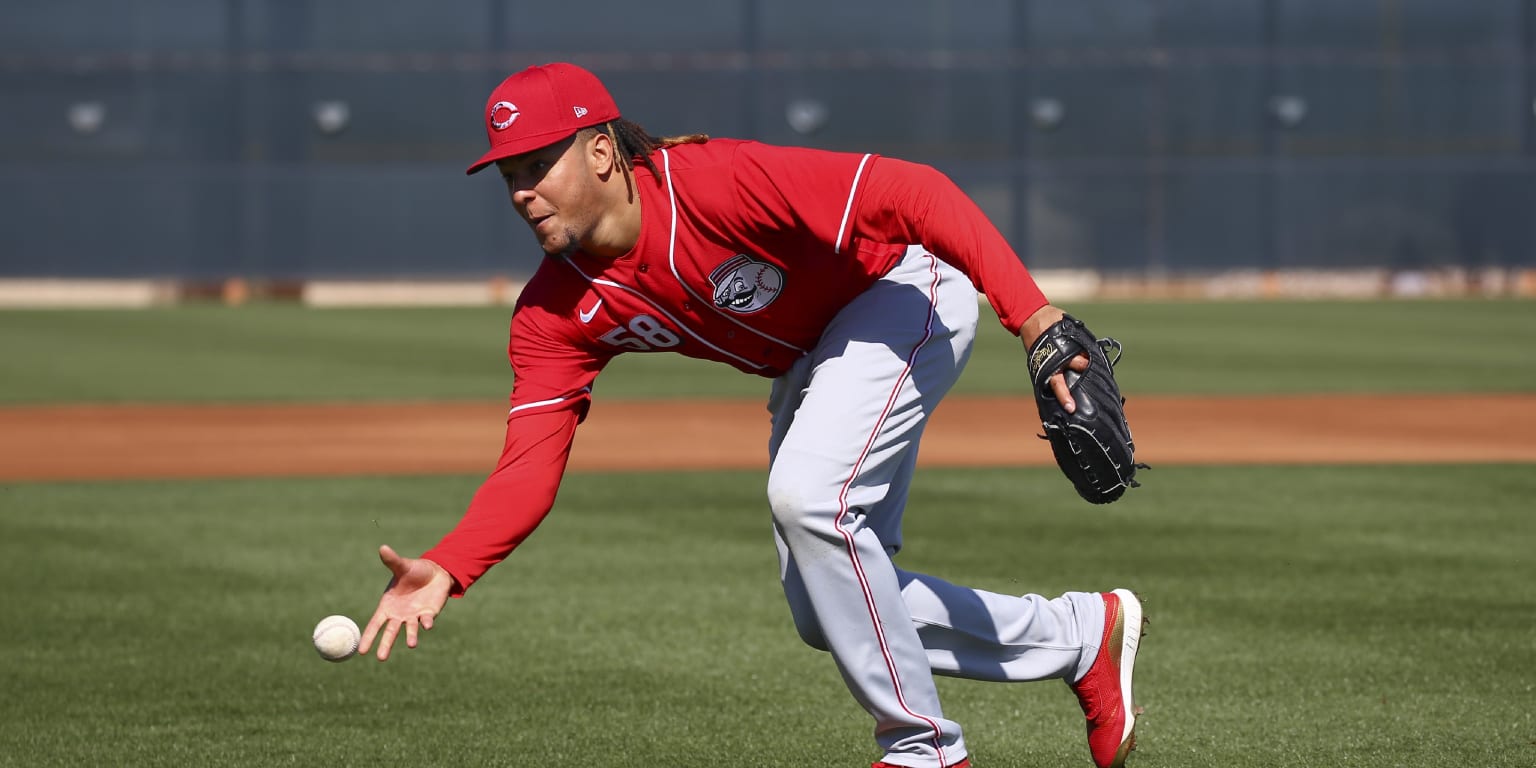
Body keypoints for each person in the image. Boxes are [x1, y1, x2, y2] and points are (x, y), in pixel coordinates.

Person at [358, 62, 1144, 768]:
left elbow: (916, 193)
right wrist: (453, 562)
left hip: (900, 294)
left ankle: (923, 750)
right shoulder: (552, 312)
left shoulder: (716, 183)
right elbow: (529, 462)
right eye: (508, 176)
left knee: (808, 499)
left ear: (601, 151)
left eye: (537, 164)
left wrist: (1032, 317)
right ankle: (1077, 636)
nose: (521, 190)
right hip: (813, 356)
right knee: (825, 609)